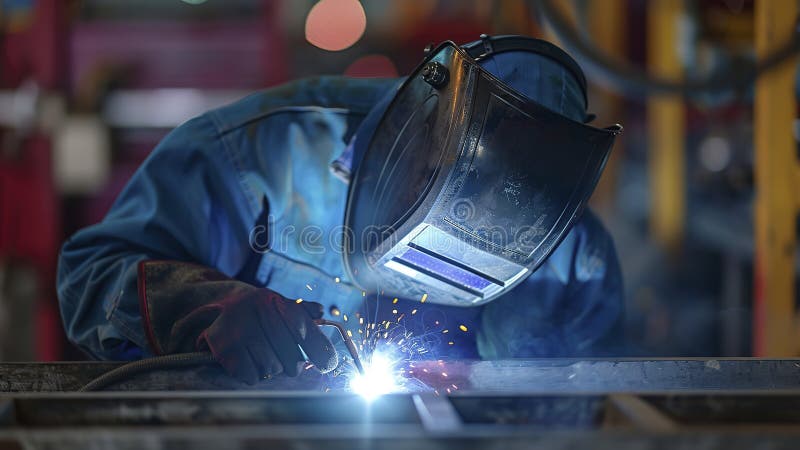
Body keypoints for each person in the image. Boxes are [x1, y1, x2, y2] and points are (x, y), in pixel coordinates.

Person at [57, 35, 624, 384]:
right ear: (423, 135)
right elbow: (88, 276)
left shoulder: (572, 255)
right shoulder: (254, 158)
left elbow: (578, 416)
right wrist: (208, 307)